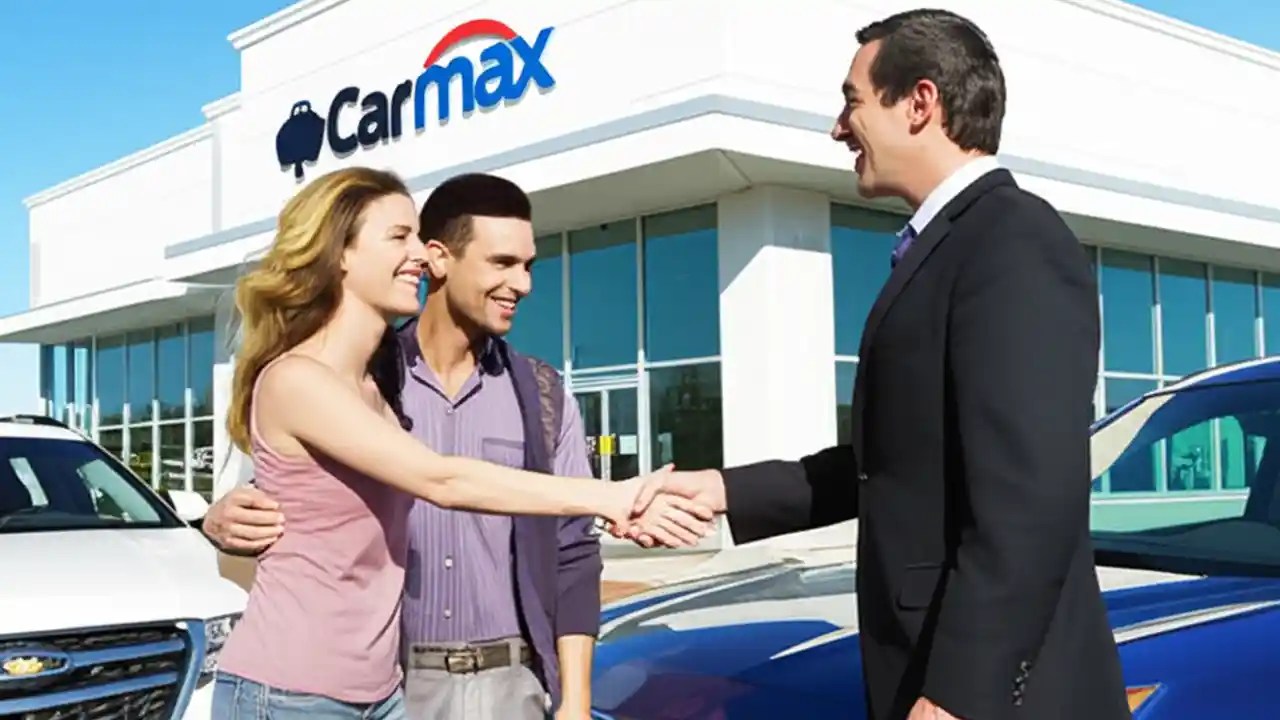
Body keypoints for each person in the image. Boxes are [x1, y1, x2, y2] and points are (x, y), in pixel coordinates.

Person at [631, 9, 1130, 720]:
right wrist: (719, 490)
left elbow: (1029, 498)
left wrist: (961, 693)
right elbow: (887, 466)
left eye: (853, 100)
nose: (839, 127)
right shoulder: (950, 247)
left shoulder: (1012, 241)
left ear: (920, 103)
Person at [205, 171, 713, 720]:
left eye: (528, 266)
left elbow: (317, 492)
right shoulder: (324, 379)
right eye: (398, 237)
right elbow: (437, 479)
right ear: (341, 253)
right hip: (303, 694)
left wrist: (575, 700)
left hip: (396, 694)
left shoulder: (384, 389)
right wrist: (610, 496)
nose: (417, 254)